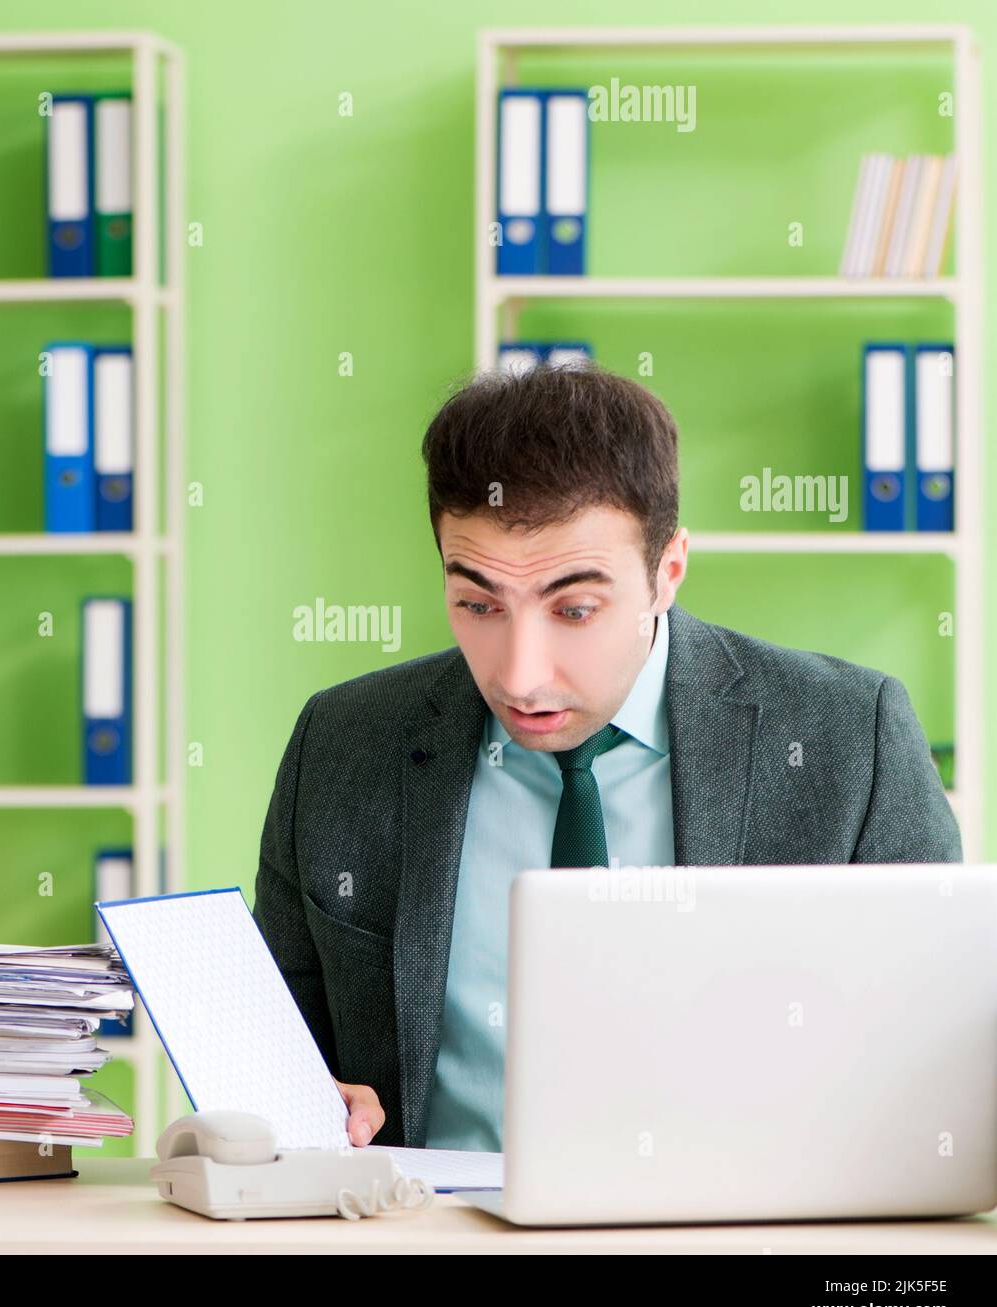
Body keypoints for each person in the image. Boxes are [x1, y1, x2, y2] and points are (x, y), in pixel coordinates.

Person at [252, 362, 961, 1152]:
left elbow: (938, 1065)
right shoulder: (341, 743)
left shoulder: (849, 740)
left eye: (576, 608)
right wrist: (286, 1104)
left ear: (668, 573)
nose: (519, 675)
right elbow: (276, 1067)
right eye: (478, 603)